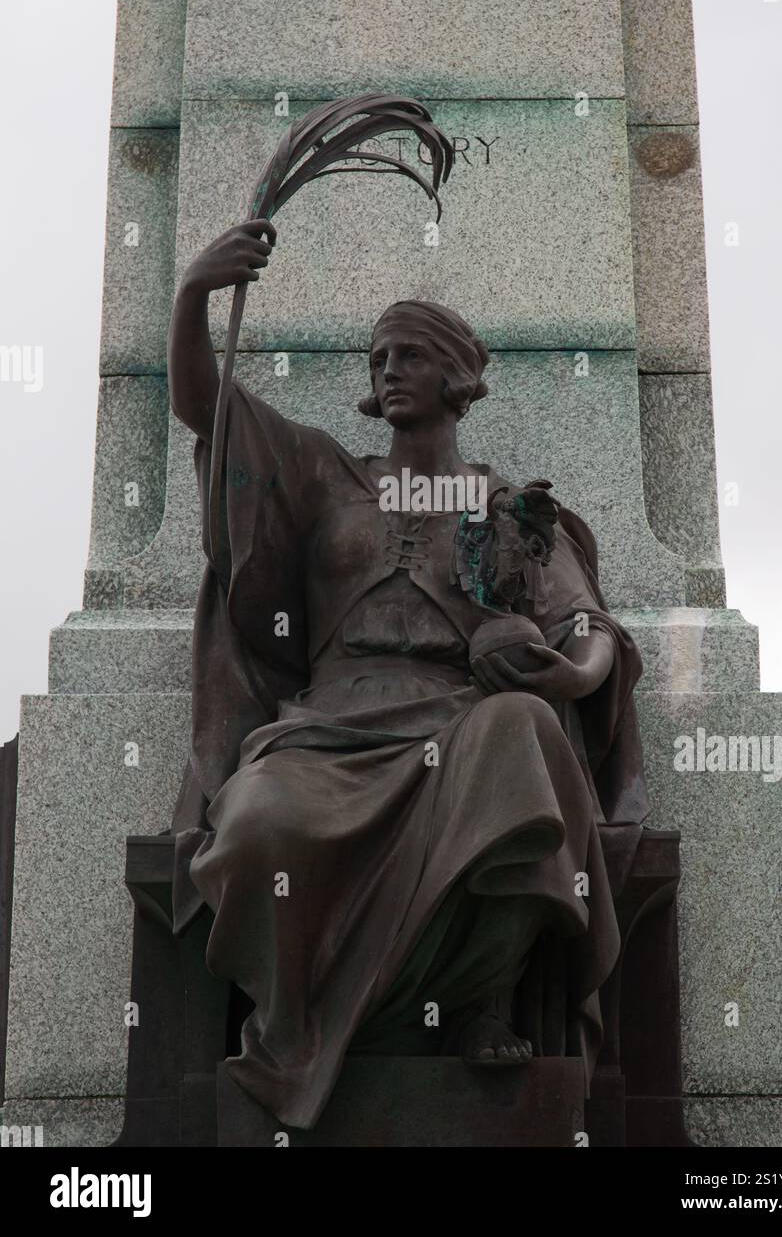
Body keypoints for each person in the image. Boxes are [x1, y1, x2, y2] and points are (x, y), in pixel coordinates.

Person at [166, 218, 649, 1131]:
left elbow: (589, 631)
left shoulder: (508, 510)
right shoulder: (321, 476)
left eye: (410, 356)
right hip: (326, 732)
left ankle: (479, 1000)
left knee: (523, 738)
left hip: (460, 726)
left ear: (458, 380)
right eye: (380, 357)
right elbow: (208, 407)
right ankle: (295, 1025)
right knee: (262, 815)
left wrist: (561, 676)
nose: (388, 370)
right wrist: (194, 292)